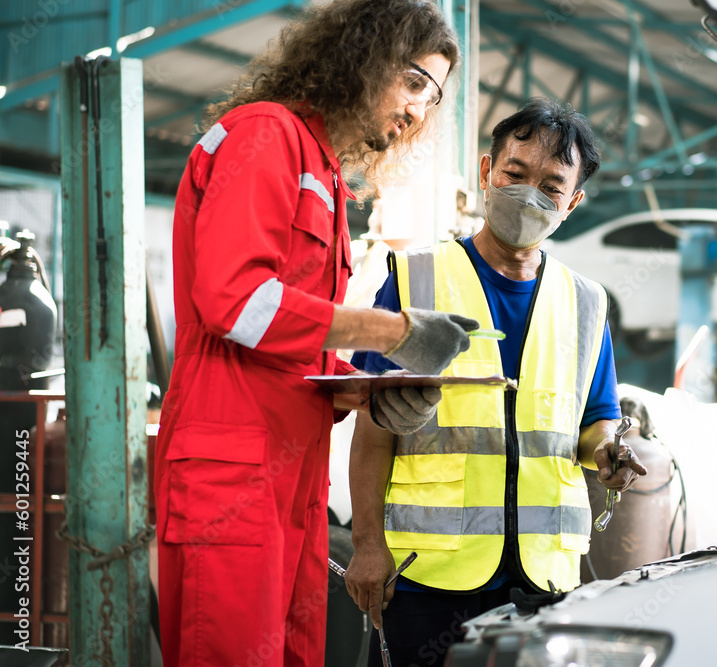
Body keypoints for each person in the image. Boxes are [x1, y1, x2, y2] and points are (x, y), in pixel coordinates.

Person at [153, 2, 478, 666]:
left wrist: (363, 391)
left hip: (288, 482)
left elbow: (284, 341)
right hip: (233, 479)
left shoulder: (323, 169)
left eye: (434, 98)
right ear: (367, 54)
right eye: (415, 81)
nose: (418, 109)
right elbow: (236, 301)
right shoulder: (265, 136)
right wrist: (393, 330)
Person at [346, 98, 649, 666]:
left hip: (541, 581)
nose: (528, 193)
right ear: (487, 172)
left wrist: (608, 451)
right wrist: (367, 545)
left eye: (552, 186)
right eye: (515, 174)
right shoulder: (416, 281)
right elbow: (373, 428)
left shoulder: (586, 303)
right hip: (426, 577)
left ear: (573, 203)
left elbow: (594, 421)